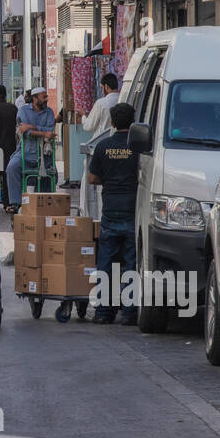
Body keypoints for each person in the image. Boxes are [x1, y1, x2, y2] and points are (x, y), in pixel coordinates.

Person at [87, 102, 140, 325]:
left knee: (106, 262)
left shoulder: (103, 146)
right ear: (134, 122)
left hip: (109, 209)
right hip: (132, 209)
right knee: (131, 262)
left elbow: (92, 178)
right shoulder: (139, 148)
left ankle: (103, 312)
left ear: (111, 122)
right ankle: (129, 312)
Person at [5, 87, 58, 213]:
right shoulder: (23, 110)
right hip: (25, 151)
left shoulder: (49, 112)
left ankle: (44, 203)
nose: (46, 99)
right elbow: (23, 132)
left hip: (44, 154)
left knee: (52, 175)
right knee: (12, 168)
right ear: (35, 98)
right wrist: (42, 133)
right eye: (43, 97)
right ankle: (15, 203)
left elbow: (50, 131)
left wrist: (31, 127)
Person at [81, 74, 121, 219]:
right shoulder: (124, 99)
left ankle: (91, 218)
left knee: (92, 187)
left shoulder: (102, 103)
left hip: (98, 149)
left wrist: (83, 116)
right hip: (120, 148)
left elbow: (88, 126)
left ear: (105, 86)